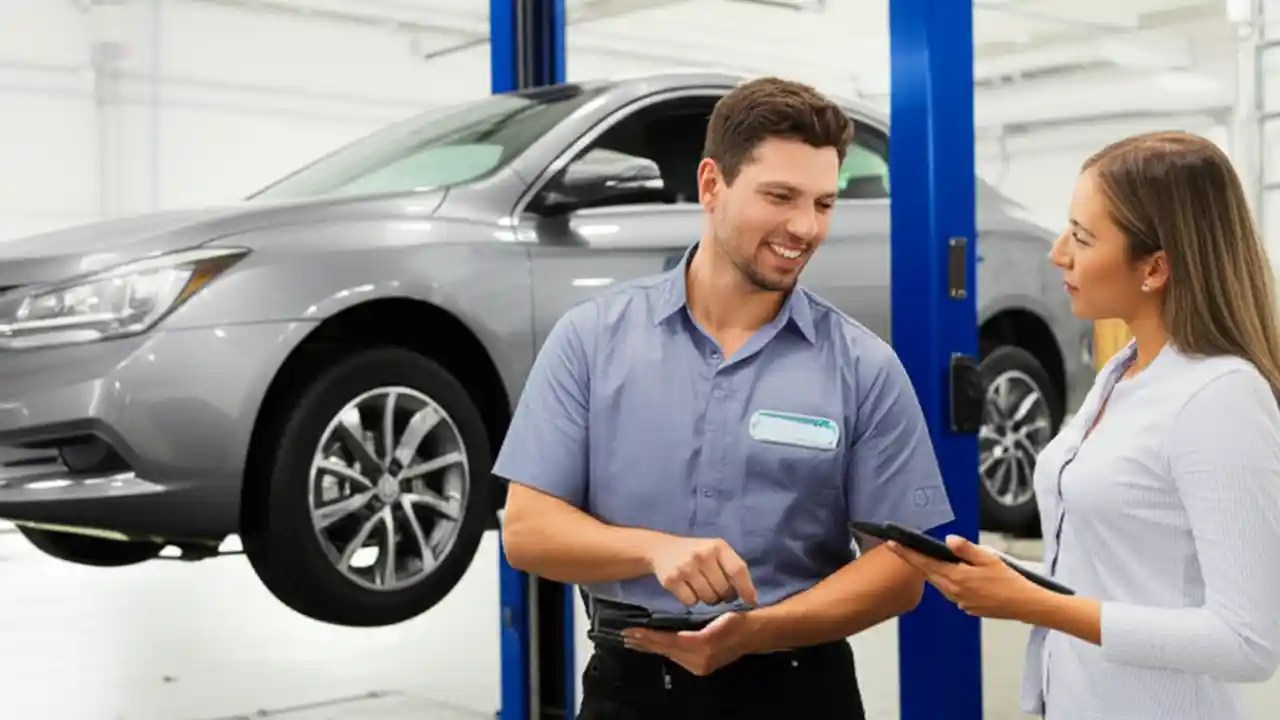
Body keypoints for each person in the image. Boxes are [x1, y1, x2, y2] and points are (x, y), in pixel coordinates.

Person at [494, 76, 955, 719]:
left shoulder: (864, 367)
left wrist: (758, 632)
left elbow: (902, 572)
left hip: (798, 685)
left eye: (824, 203)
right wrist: (655, 549)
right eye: (781, 196)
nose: (805, 227)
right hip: (631, 686)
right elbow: (528, 530)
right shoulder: (592, 341)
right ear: (712, 185)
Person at [886, 130, 1280, 719]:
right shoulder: (1120, 376)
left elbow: (1248, 642)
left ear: (1154, 267)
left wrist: (1034, 604)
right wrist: (1012, 577)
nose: (1057, 254)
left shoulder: (1220, 397)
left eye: (1083, 237)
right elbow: (1117, 564)